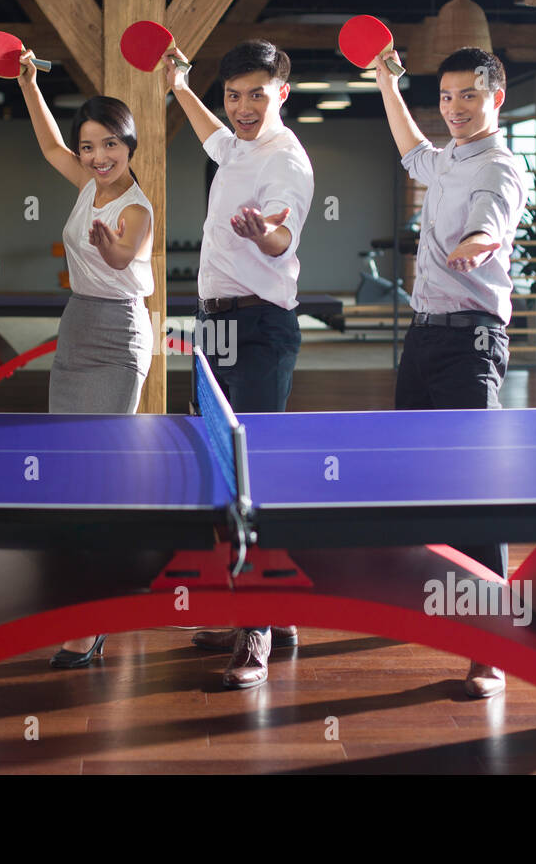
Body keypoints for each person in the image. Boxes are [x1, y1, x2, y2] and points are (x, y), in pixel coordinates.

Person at [373, 46, 529, 698]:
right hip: (424, 339)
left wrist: (476, 245)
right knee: (423, 480)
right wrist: (386, 80)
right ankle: (439, 601)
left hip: (472, 342)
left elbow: (491, 223)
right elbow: (411, 147)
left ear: (495, 96)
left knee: (476, 490)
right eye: (445, 96)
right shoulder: (447, 160)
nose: (454, 108)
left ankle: (491, 648)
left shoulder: (498, 166)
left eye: (468, 95)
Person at [161, 38, 313, 690]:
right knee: (221, 468)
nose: (244, 107)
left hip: (258, 326)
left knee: (250, 476)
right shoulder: (237, 146)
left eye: (258, 93)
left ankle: (257, 633)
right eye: (234, 95)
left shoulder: (287, 162)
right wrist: (179, 87)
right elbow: (214, 136)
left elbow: (281, 232)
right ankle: (261, 611)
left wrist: (265, 235)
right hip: (216, 322)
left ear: (282, 92)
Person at [14, 52, 155, 668]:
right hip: (76, 326)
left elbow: (125, 257)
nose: (98, 157)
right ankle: (80, 589)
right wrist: (28, 83)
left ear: (129, 146)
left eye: (109, 146)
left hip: (119, 335)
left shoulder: (135, 208)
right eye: (89, 146)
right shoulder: (87, 183)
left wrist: (108, 246)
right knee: (70, 470)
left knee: (102, 475)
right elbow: (48, 146)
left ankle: (97, 614)